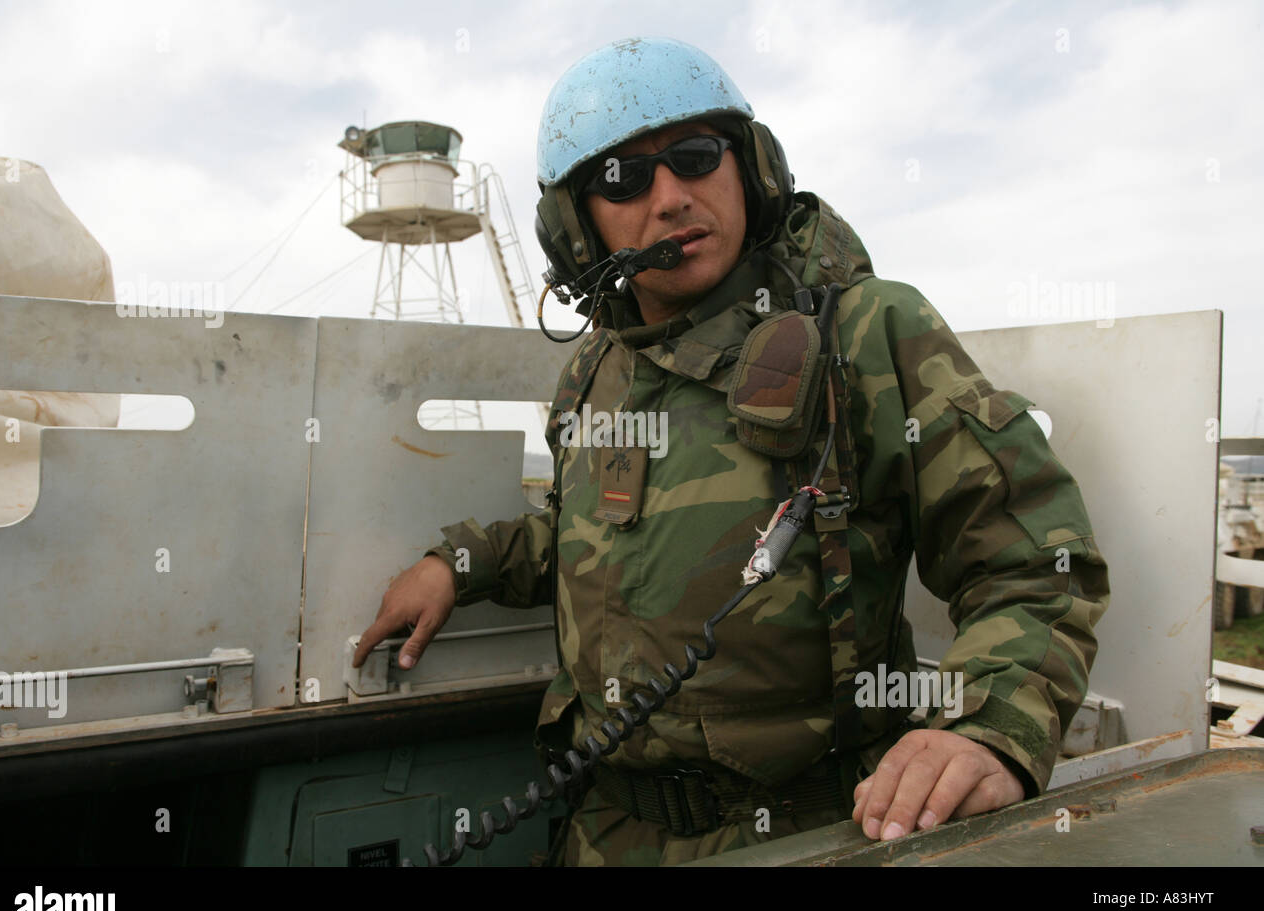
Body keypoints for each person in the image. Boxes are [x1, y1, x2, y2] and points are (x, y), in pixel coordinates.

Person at [352, 36, 1109, 866]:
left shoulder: (865, 332)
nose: (671, 197)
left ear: (750, 168)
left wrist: (990, 730)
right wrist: (459, 563)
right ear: (576, 228)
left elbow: (1035, 564)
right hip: (603, 829)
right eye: (622, 179)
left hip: (807, 837)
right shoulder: (596, 367)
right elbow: (587, 538)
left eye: (695, 156)